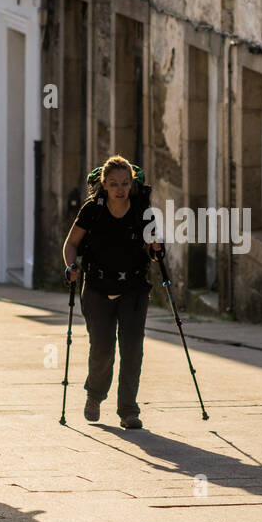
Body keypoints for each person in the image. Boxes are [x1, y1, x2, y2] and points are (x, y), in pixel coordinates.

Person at [62, 154, 162, 429]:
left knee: (132, 349)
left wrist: (155, 248)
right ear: (104, 184)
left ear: (132, 184)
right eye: (114, 184)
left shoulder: (143, 212)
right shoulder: (92, 210)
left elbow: (154, 253)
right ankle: (94, 396)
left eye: (125, 183)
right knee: (103, 349)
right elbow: (71, 244)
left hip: (134, 288)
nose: (120, 189)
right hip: (96, 287)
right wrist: (70, 266)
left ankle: (128, 410)